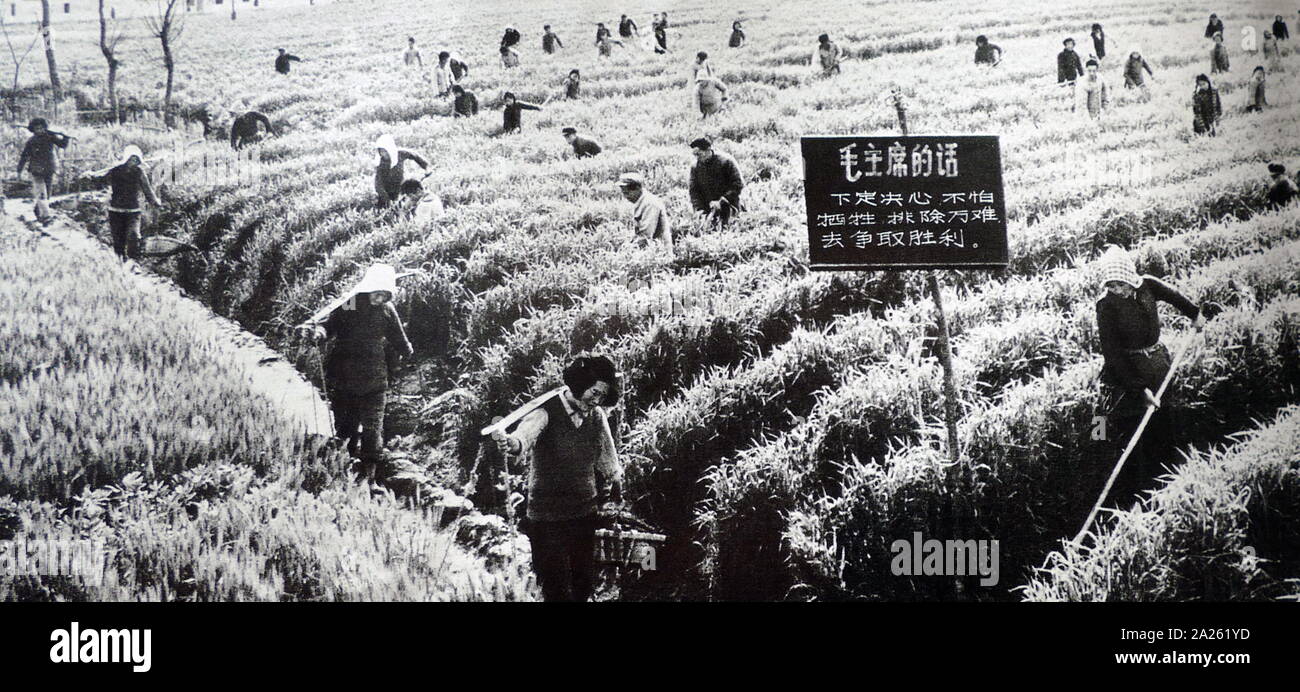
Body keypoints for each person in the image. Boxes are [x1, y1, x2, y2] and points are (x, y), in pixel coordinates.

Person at [491, 355, 623, 603]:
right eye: (594, 392)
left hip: (584, 515)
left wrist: (615, 490)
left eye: (602, 396)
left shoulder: (596, 417)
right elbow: (524, 437)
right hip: (547, 518)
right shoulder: (547, 410)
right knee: (554, 589)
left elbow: (608, 460)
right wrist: (511, 443)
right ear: (580, 384)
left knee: (582, 585)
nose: (596, 400)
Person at [1094, 246, 1204, 507]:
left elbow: (1174, 296)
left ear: (1130, 277)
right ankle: (1138, 495)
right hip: (1126, 376)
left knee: (1164, 421)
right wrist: (1139, 390)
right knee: (1134, 433)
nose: (1117, 290)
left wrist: (1195, 313)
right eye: (1111, 286)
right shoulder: (1106, 307)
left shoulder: (1148, 286)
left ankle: (1170, 481)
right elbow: (1113, 355)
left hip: (1157, 364)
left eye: (1120, 284)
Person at [306, 264, 414, 485]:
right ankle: (343, 468)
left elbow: (399, 339)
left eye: (385, 295)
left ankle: (369, 477)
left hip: (375, 378)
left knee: (373, 429)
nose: (380, 298)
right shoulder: (351, 302)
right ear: (368, 289)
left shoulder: (387, 310)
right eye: (377, 293)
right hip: (344, 374)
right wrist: (318, 333)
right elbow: (328, 325)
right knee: (346, 426)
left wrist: (408, 352)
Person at [77, 145, 160, 260]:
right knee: (118, 242)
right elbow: (100, 182)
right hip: (116, 211)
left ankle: (133, 263)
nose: (133, 162)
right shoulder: (115, 171)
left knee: (134, 236)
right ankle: (121, 265)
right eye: (131, 159)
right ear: (126, 159)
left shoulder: (139, 173)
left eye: (136, 160)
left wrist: (154, 202)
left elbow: (147, 190)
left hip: (133, 211)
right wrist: (89, 176)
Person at [16, 118, 69, 223]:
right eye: (37, 128)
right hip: (36, 169)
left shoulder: (50, 137)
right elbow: (24, 156)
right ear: (33, 130)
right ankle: (45, 217)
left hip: (49, 168)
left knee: (48, 193)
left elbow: (62, 145)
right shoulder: (31, 142)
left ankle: (38, 211)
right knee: (41, 193)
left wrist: (65, 137)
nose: (39, 130)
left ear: (45, 128)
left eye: (41, 128)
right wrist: (19, 171)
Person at [688, 137, 743, 227]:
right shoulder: (695, 167)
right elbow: (694, 191)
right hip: (708, 211)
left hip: (730, 208)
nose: (697, 158)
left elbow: (738, 185)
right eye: (695, 155)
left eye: (699, 154)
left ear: (708, 150)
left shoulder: (726, 161)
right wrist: (699, 210)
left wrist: (722, 201)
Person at [617, 173, 672, 253]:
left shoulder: (650, 204)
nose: (626, 197)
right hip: (649, 252)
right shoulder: (641, 201)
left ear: (638, 188)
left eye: (627, 193)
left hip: (658, 255)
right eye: (624, 193)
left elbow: (645, 236)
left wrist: (628, 251)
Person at [374, 134, 429, 209]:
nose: (383, 154)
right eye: (381, 151)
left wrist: (426, 167)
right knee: (387, 212)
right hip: (387, 193)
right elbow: (378, 185)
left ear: (390, 149)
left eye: (385, 151)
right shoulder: (379, 163)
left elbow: (414, 155)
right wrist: (388, 200)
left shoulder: (400, 154)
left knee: (409, 208)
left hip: (401, 189)